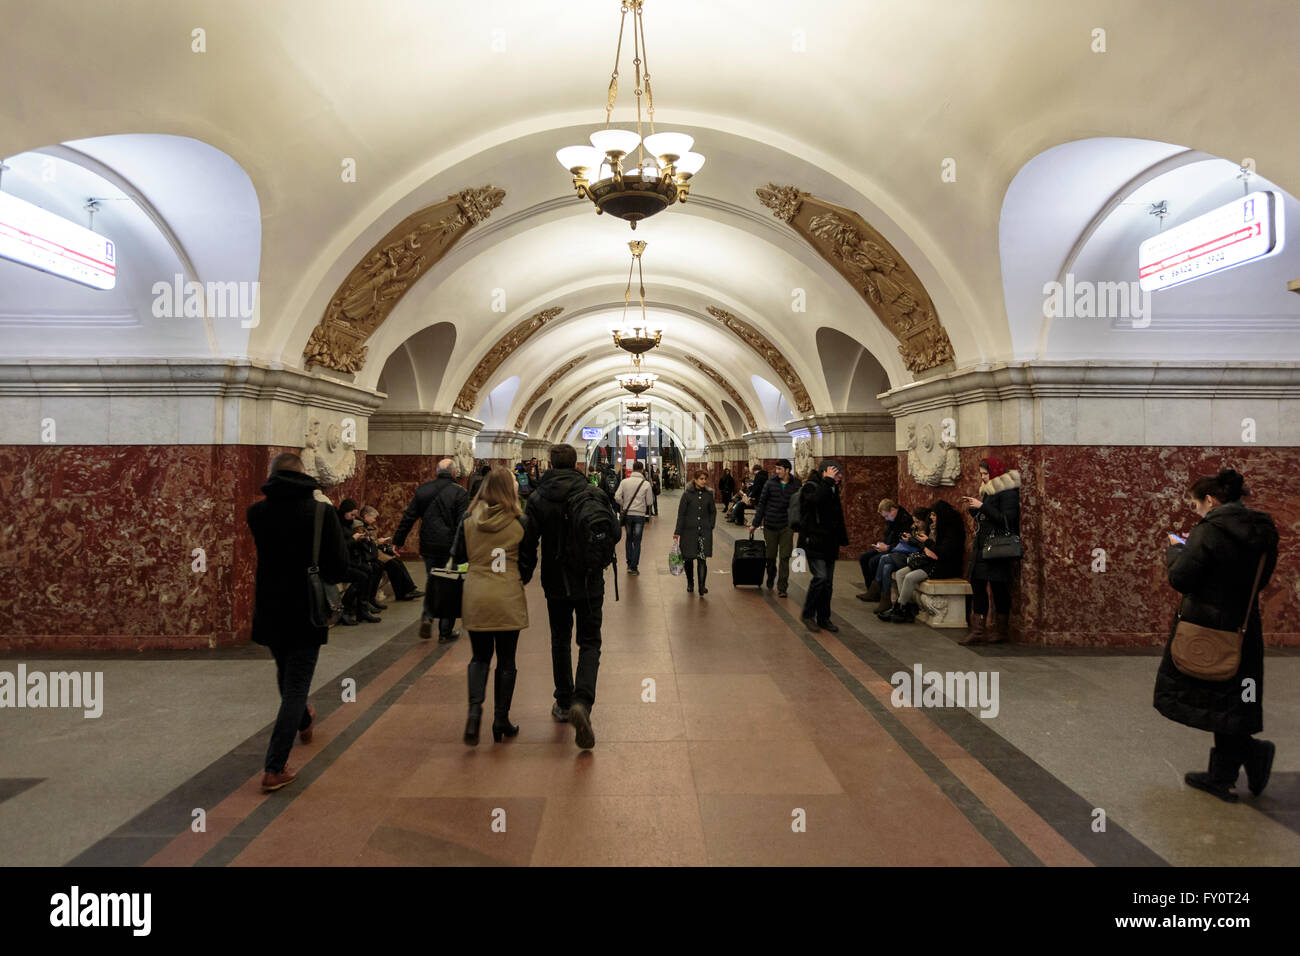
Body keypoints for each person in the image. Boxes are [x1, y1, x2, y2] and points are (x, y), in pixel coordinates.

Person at [1155, 468, 1279, 802]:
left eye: (1195, 505)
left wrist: (1175, 552)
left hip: (1206, 625)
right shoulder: (1264, 529)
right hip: (1242, 626)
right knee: (1234, 699)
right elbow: (1261, 578)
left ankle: (1241, 762)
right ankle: (1229, 770)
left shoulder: (1208, 531)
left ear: (1210, 500)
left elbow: (1182, 579)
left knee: (1215, 696)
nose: (1196, 512)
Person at [246, 452, 349, 793]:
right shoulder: (321, 512)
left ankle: (303, 718)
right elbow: (337, 568)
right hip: (307, 609)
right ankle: (274, 767)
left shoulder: (256, 512)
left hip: (271, 607)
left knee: (285, 671)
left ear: (273, 476)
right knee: (295, 687)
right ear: (305, 475)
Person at [519, 443, 620, 750]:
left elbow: (527, 541)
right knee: (590, 642)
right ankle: (583, 703)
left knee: (560, 639)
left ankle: (563, 701)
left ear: (550, 463)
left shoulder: (538, 496)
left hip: (556, 582)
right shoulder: (593, 492)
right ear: (577, 463)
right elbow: (614, 531)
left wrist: (523, 575)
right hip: (590, 579)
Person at [453, 467, 537, 746]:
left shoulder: (468, 519)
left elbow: (459, 556)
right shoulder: (520, 521)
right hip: (507, 595)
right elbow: (527, 563)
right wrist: (514, 577)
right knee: (507, 660)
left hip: (476, 594)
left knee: (479, 658)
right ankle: (501, 719)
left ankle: (474, 712)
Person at [393, 458, 469, 642]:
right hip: (450, 546)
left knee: (432, 581)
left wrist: (398, 541)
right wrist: (464, 548)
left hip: (428, 545)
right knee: (451, 585)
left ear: (437, 472)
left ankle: (427, 616)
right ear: (453, 473)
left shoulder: (423, 490)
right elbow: (463, 524)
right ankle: (445, 631)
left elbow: (408, 517)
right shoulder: (460, 493)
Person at [959, 457, 1021, 645]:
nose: (983, 477)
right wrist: (975, 510)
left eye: (985, 474)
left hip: (998, 549)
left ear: (995, 473)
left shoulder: (1007, 492)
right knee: (977, 585)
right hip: (983, 547)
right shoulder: (988, 491)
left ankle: (1001, 630)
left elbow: (1007, 520)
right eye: (981, 474)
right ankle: (978, 630)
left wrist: (982, 506)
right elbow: (987, 517)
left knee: (999, 589)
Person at [883, 500, 965, 623]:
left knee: (910, 577)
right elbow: (928, 549)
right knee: (900, 574)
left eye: (934, 515)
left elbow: (944, 552)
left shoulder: (952, 531)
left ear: (941, 515)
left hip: (943, 565)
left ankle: (901, 608)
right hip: (929, 561)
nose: (931, 518)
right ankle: (906, 607)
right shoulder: (934, 527)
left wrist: (927, 542)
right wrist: (919, 542)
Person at [797, 461, 848, 632]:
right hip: (813, 542)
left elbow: (836, 516)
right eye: (836, 472)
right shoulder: (811, 487)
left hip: (829, 543)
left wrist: (843, 538)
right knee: (820, 578)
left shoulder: (833, 488)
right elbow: (814, 502)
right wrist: (827, 482)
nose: (839, 476)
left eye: (839, 473)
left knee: (828, 583)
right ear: (824, 472)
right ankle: (807, 615)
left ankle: (824, 618)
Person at [750, 458, 801, 597]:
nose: (777, 471)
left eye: (779, 469)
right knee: (771, 557)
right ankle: (771, 576)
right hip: (771, 525)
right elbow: (762, 504)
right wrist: (755, 523)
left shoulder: (796, 484)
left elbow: (800, 505)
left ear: (787, 470)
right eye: (776, 469)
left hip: (787, 526)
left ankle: (782, 587)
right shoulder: (770, 483)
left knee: (785, 557)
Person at [873, 507, 930, 618]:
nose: (916, 524)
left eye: (918, 522)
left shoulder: (927, 530)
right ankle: (898, 604)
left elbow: (925, 547)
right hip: (911, 556)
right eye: (915, 522)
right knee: (887, 567)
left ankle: (890, 600)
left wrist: (911, 540)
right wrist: (908, 538)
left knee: (884, 559)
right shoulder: (914, 528)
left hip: (917, 559)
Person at [361, 505, 422, 602]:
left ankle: (409, 590)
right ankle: (404, 593)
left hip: (375, 552)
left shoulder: (368, 527)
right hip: (370, 555)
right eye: (373, 517)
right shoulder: (361, 527)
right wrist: (377, 542)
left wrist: (378, 542)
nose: (374, 520)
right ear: (365, 515)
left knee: (397, 562)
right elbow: (365, 545)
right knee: (393, 564)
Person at [857, 499, 913, 603]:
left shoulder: (905, 520)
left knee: (873, 561)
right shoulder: (891, 519)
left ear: (892, 510)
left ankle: (876, 592)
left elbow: (902, 543)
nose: (886, 519)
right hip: (888, 546)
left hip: (897, 550)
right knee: (863, 558)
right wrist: (882, 544)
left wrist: (887, 547)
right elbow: (888, 536)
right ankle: (871, 590)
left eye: (887, 516)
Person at [337, 498, 382, 625]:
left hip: (349, 560)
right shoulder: (338, 525)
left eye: (354, 515)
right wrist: (353, 539)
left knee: (370, 570)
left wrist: (362, 539)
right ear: (345, 511)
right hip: (338, 563)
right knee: (362, 576)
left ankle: (362, 609)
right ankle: (346, 610)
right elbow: (339, 547)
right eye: (351, 515)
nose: (353, 518)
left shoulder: (347, 524)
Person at [675, 470, 717, 595]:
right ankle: (690, 582)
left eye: (705, 479)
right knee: (688, 559)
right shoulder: (687, 495)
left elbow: (713, 511)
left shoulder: (708, 495)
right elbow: (681, 514)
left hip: (703, 532)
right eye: (701, 479)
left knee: (702, 559)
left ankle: (702, 586)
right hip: (688, 532)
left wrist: (711, 525)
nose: (704, 481)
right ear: (695, 479)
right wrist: (677, 532)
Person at [614, 460, 655, 575]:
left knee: (628, 539)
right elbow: (649, 502)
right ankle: (634, 567)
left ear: (632, 469)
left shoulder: (624, 482)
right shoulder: (646, 484)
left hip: (628, 515)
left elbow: (616, 496)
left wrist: (624, 504)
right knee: (637, 541)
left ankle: (628, 563)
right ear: (642, 470)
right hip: (639, 515)